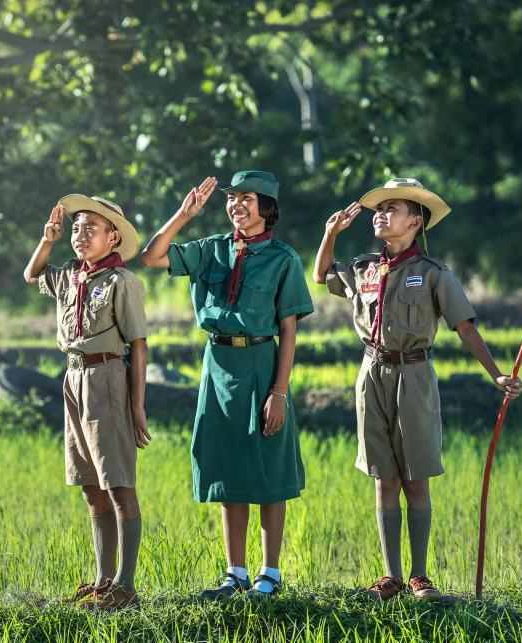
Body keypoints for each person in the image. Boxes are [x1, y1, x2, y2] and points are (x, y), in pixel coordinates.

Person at [312, 178, 522, 600]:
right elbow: (321, 276)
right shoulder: (363, 268)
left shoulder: (432, 274)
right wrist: (329, 235)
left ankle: (419, 575)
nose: (381, 215)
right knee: (383, 477)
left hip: (414, 375)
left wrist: (496, 374)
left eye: (392, 209)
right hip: (371, 373)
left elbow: (465, 326)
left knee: (416, 478)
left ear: (415, 222)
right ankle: (390, 576)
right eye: (379, 208)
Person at [139, 171, 313, 600]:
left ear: (267, 207)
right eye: (232, 199)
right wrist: (184, 214)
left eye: (246, 198)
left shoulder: (283, 259)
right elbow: (152, 256)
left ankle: (269, 574)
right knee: (226, 467)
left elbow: (288, 330)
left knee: (269, 466)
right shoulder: (212, 250)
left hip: (261, 362)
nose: (236, 205)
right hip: (217, 366)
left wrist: (279, 391)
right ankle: (234, 572)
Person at [23, 193, 151, 610]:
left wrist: (136, 406)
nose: (80, 235)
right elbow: (32, 273)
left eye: (90, 228)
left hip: (108, 377)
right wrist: (49, 238)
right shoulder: (70, 276)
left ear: (113, 237)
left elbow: (138, 345)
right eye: (76, 228)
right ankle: (102, 578)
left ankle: (125, 585)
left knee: (118, 485)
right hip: (73, 378)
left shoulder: (122, 282)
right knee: (89, 486)